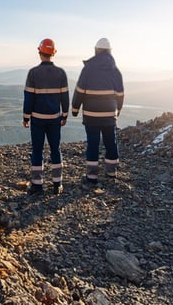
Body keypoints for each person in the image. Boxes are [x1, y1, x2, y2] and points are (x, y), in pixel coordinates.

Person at [71, 37, 124, 186]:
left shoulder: (88, 69)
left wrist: (75, 109)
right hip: (109, 115)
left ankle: (92, 176)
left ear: (96, 50)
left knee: (93, 143)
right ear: (110, 51)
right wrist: (118, 110)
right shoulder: (115, 71)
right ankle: (111, 172)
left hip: (91, 115)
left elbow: (80, 91)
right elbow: (120, 94)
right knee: (111, 142)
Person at [23, 38, 70, 195]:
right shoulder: (61, 73)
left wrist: (26, 117)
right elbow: (65, 97)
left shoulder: (33, 73)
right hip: (54, 119)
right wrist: (64, 115)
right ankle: (57, 184)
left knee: (37, 150)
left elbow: (29, 97)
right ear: (53, 53)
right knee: (55, 149)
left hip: (37, 119)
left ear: (40, 52)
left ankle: (37, 185)